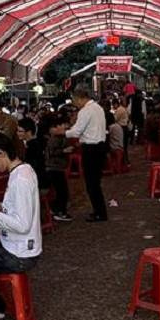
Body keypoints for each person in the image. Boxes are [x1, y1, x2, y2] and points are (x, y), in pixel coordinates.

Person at [0, 134, 42, 275]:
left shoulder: (20, 180)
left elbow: (22, 225)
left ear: (1, 153)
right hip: (17, 247)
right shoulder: (22, 170)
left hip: (20, 254)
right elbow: (17, 208)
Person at [64, 87, 109, 222]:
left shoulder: (85, 111)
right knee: (95, 182)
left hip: (91, 149)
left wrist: (63, 132)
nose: (74, 103)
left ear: (80, 98)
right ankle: (99, 211)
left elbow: (77, 132)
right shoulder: (98, 108)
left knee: (91, 183)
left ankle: (99, 213)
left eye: (74, 100)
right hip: (100, 147)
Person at [42, 115, 73, 222]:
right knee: (62, 191)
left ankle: (56, 209)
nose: (66, 127)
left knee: (61, 191)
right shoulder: (54, 139)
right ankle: (59, 211)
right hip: (54, 168)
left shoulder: (61, 137)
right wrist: (64, 151)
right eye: (63, 125)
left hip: (58, 167)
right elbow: (50, 153)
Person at [17, 117, 45, 183]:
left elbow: (32, 166)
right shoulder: (33, 143)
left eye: (20, 131)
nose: (17, 133)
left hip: (37, 182)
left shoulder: (33, 146)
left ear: (29, 132)